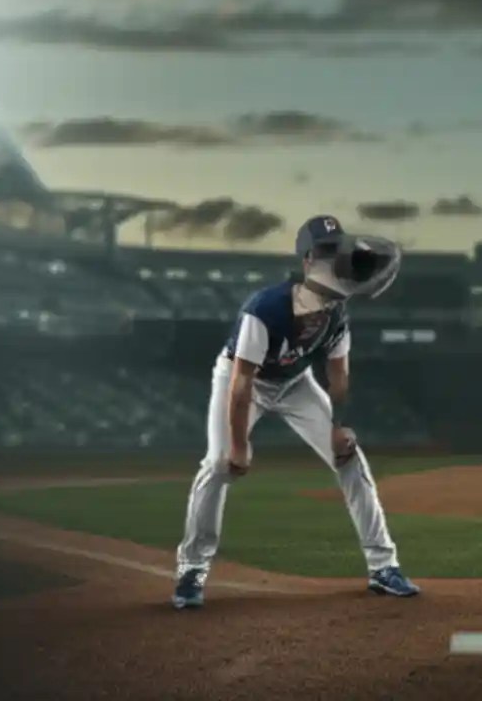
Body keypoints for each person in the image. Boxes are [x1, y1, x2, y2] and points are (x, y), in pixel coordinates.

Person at [170, 214, 420, 609]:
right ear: (306, 261)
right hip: (243, 380)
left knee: (351, 460)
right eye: (323, 252)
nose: (331, 259)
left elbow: (338, 374)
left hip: (295, 383)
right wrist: (239, 445)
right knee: (218, 464)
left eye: (336, 252)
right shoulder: (265, 308)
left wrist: (339, 426)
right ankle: (192, 569)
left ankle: (383, 567)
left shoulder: (337, 313)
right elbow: (241, 382)